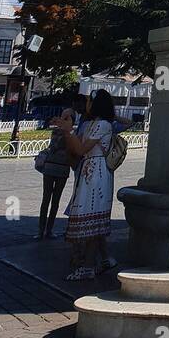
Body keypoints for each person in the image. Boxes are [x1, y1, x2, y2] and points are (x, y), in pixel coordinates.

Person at [55, 89, 118, 281]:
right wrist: (67, 131)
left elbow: (82, 149)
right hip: (87, 169)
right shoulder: (90, 124)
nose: (87, 103)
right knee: (89, 217)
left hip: (96, 172)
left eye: (91, 100)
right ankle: (99, 260)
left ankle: (89, 265)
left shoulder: (103, 125)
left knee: (92, 217)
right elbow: (76, 149)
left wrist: (68, 131)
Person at [36, 107, 73, 239]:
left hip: (62, 168)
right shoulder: (58, 132)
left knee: (55, 200)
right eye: (65, 118)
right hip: (52, 166)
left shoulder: (70, 133)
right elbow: (58, 145)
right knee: (46, 199)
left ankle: (48, 230)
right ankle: (41, 230)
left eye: (69, 118)